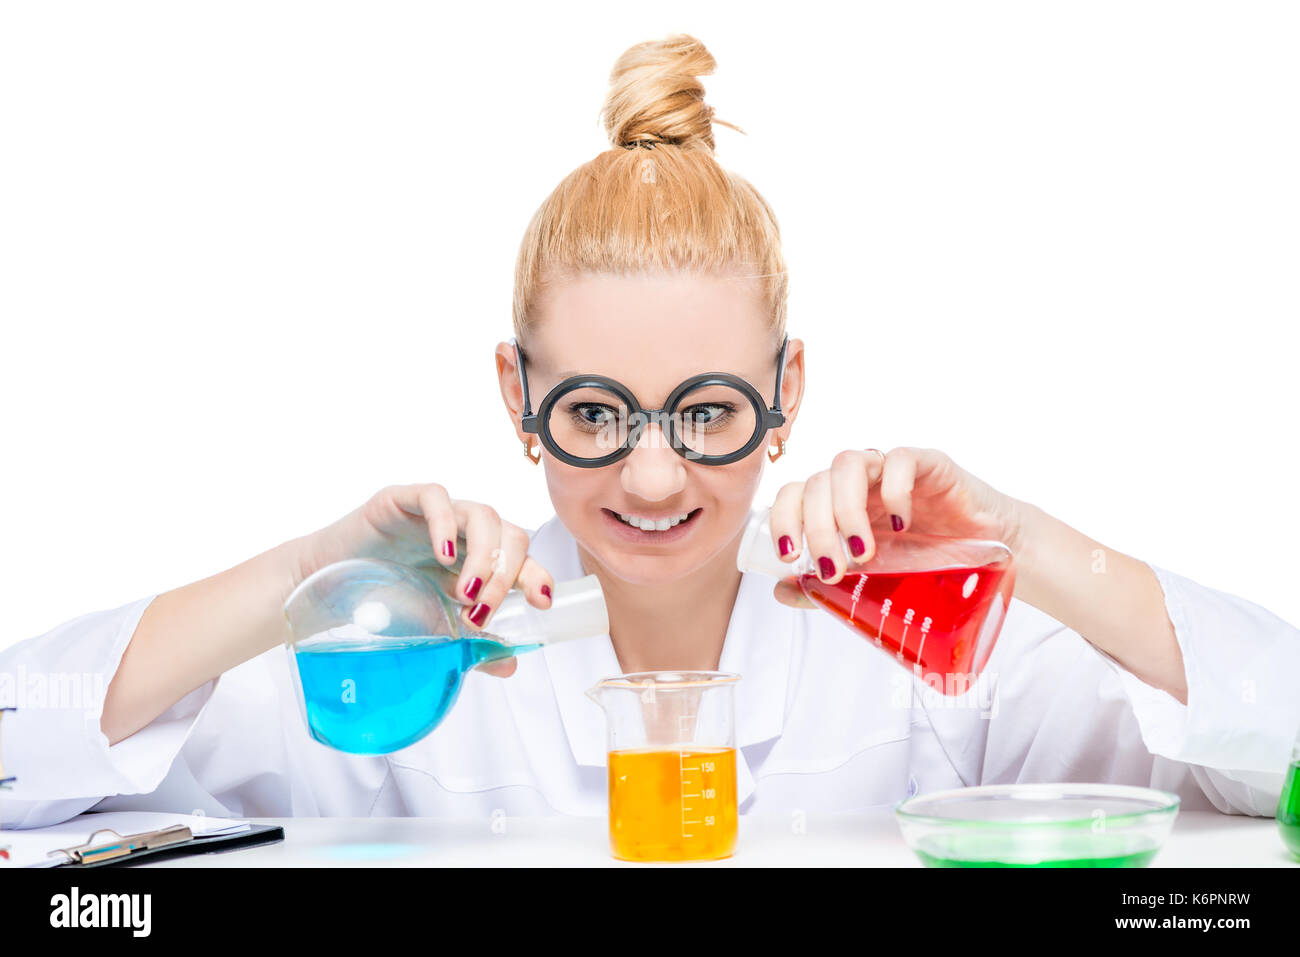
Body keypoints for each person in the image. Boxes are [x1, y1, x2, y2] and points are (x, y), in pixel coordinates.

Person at [2, 34, 1297, 831]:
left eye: (712, 410)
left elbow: (1281, 745)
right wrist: (302, 580)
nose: (656, 469)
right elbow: (17, 749)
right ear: (517, 396)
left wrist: (1023, 542)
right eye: (594, 413)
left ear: (790, 390)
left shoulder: (909, 654)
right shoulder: (420, 650)